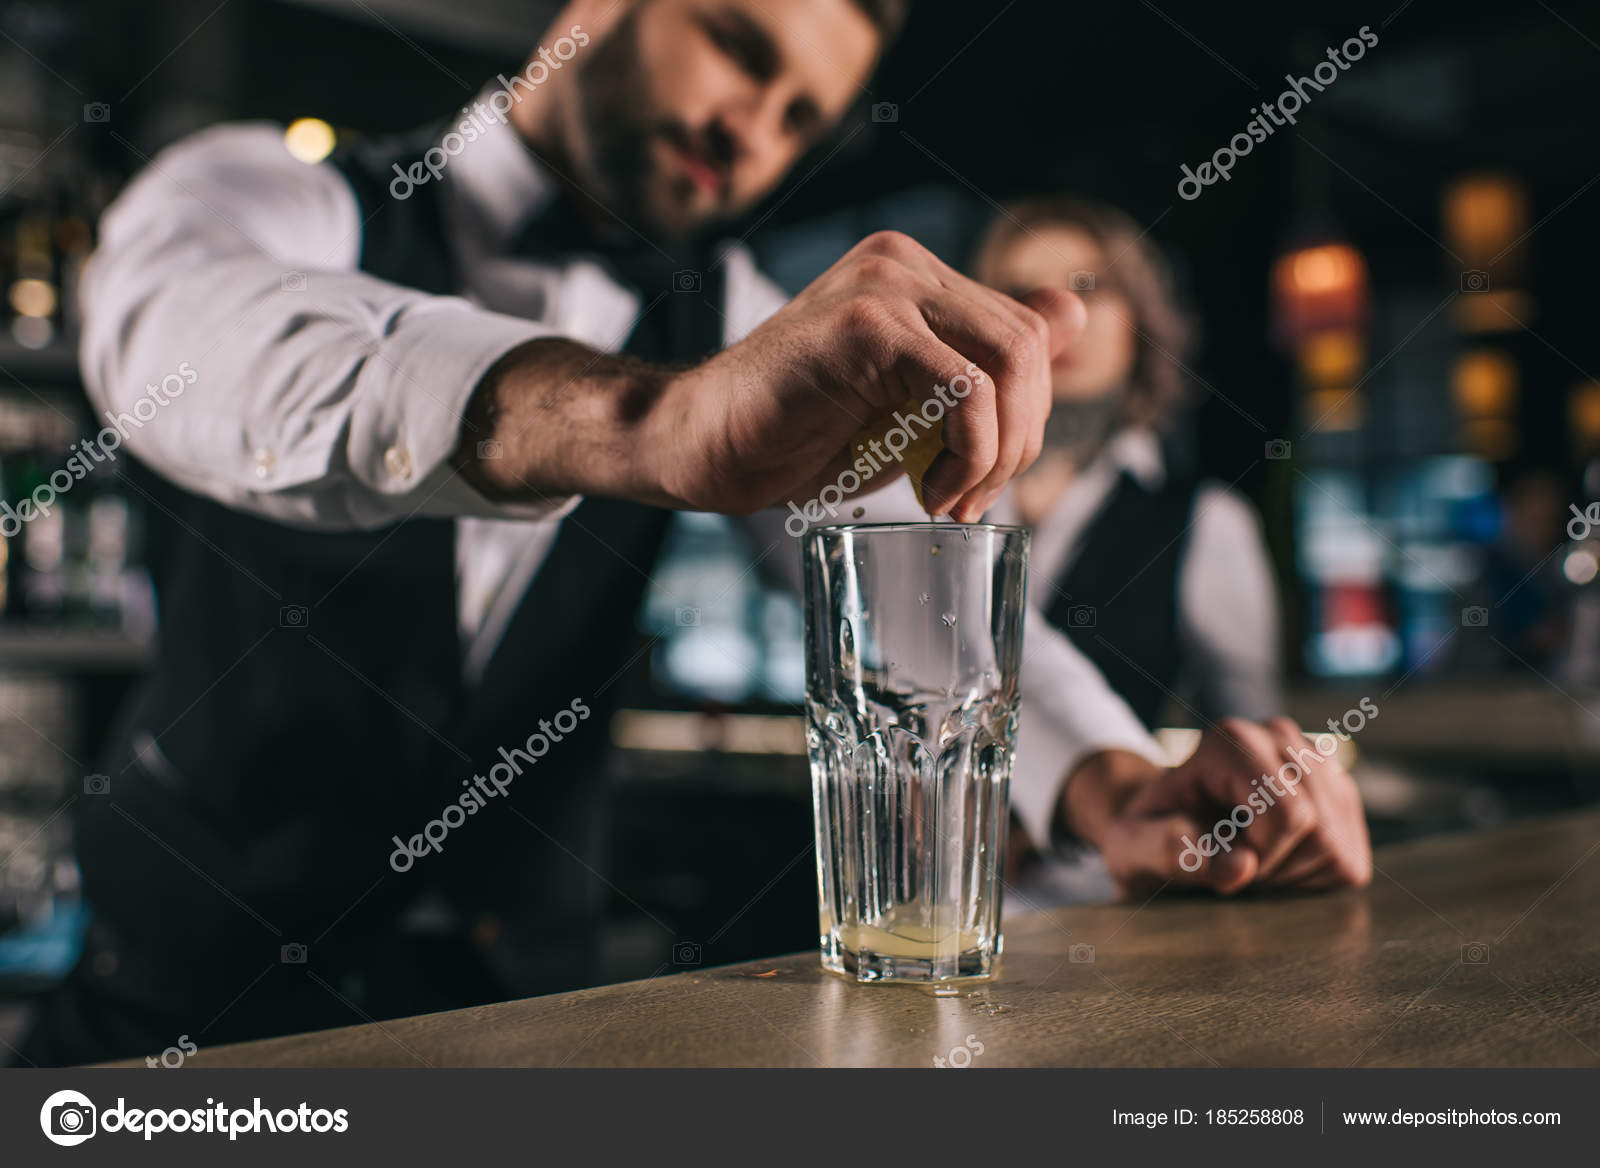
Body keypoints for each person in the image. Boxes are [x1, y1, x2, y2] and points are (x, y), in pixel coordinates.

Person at [15, 0, 1368, 1067]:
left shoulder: (727, 306)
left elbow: (907, 567)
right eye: (737, 44)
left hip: (521, 1037)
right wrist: (638, 422)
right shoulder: (273, 191)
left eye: (801, 118)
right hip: (176, 1027)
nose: (754, 133)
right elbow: (173, 345)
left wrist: (1114, 790)